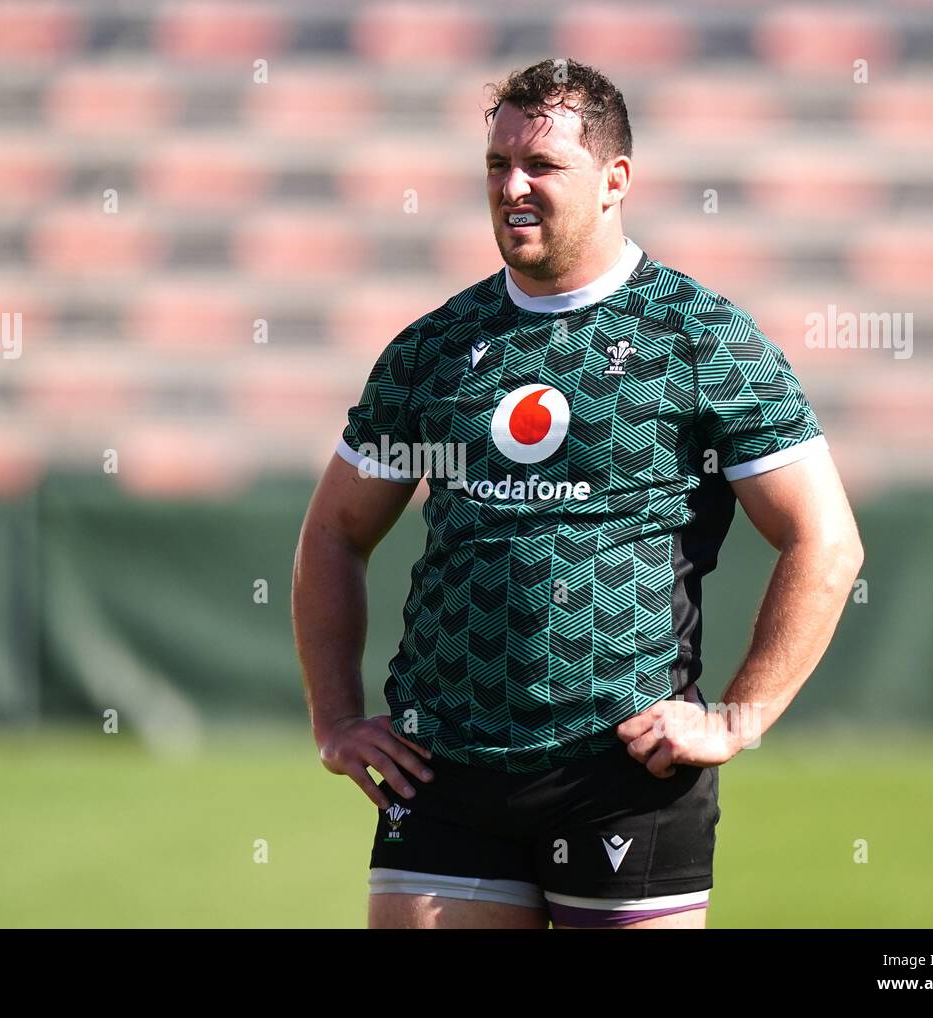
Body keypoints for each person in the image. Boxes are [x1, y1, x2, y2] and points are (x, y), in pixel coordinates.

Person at [292, 58, 864, 929]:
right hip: (443, 769)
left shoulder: (701, 337)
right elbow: (334, 531)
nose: (513, 187)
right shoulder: (433, 348)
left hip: (624, 774)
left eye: (542, 167)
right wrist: (335, 719)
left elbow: (825, 539)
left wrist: (739, 717)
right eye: (497, 165)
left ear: (614, 181)